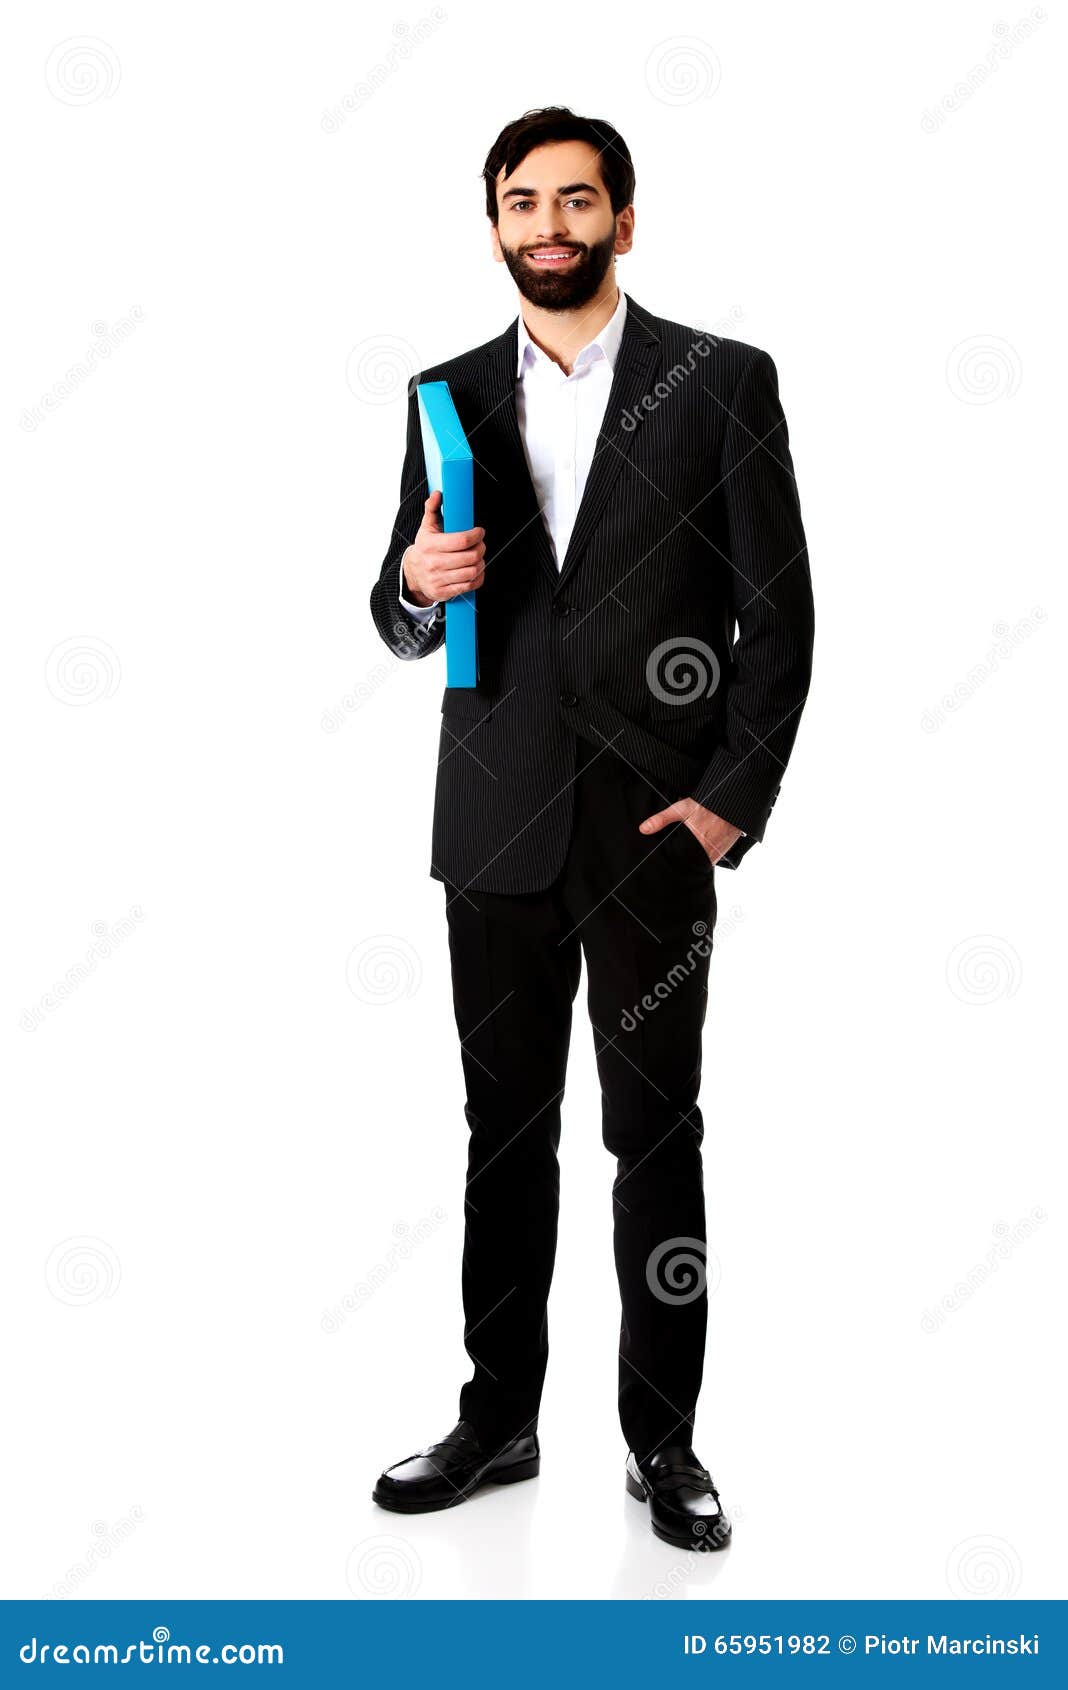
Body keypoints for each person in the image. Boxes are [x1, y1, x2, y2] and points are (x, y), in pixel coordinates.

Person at [367, 106, 814, 1549]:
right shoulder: (446, 395)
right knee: (503, 1135)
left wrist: (728, 802)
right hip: (495, 817)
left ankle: (664, 1443)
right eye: (522, 202)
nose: (547, 225)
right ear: (494, 225)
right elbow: (396, 609)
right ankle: (497, 1419)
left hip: (650, 826)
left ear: (624, 218)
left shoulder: (718, 380)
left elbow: (779, 612)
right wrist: (417, 586)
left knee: (655, 1136)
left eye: (575, 200)